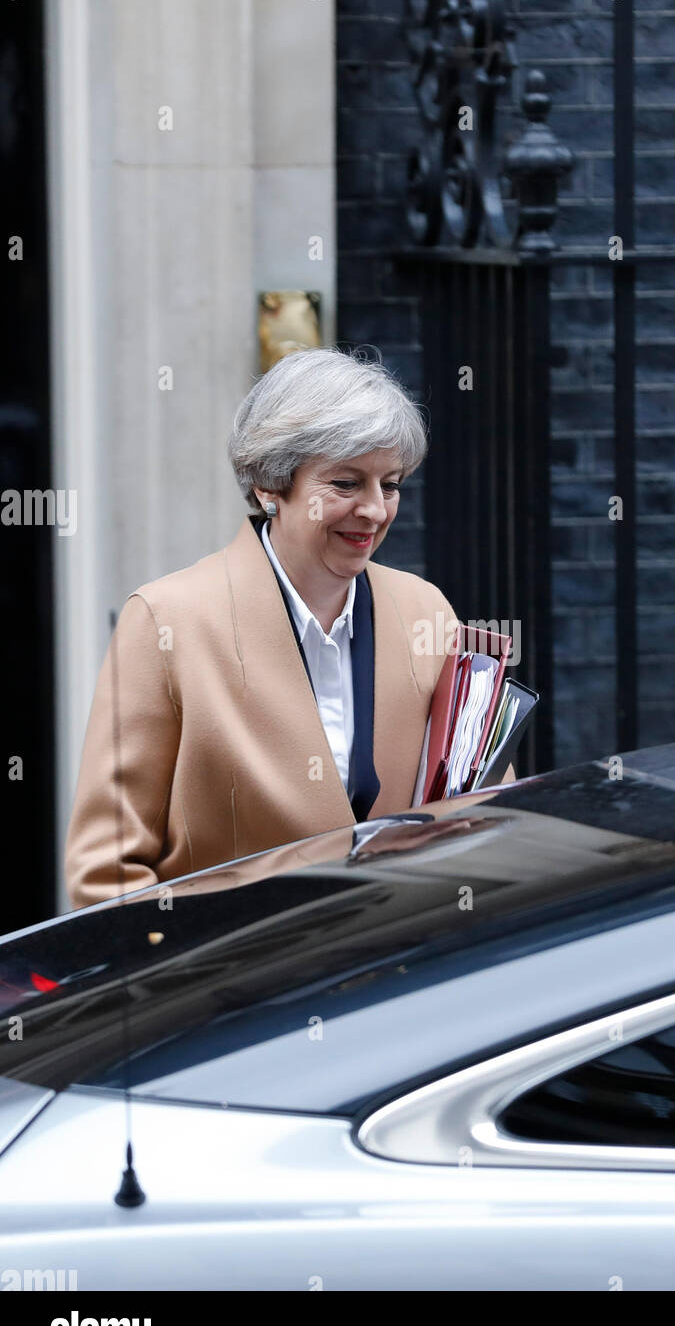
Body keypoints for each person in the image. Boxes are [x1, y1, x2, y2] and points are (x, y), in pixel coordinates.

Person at [65, 347, 513, 909]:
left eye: (390, 484)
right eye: (346, 484)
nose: (375, 510)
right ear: (269, 486)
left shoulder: (425, 611)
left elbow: (483, 813)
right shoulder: (166, 620)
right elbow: (108, 872)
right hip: (231, 983)